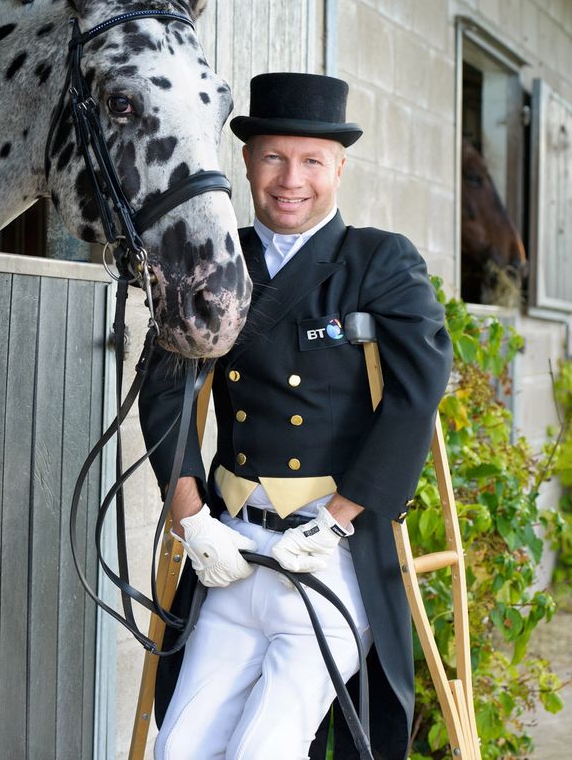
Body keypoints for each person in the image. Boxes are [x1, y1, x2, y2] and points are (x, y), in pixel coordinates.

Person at [139, 72, 453, 760]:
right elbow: (163, 388)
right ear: (247, 163)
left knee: (264, 751)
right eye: (274, 157)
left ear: (339, 166)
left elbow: (416, 392)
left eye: (312, 159)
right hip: (233, 554)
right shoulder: (212, 260)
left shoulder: (378, 261)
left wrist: (337, 520)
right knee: (178, 748)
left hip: (327, 562)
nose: (291, 179)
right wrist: (192, 519)